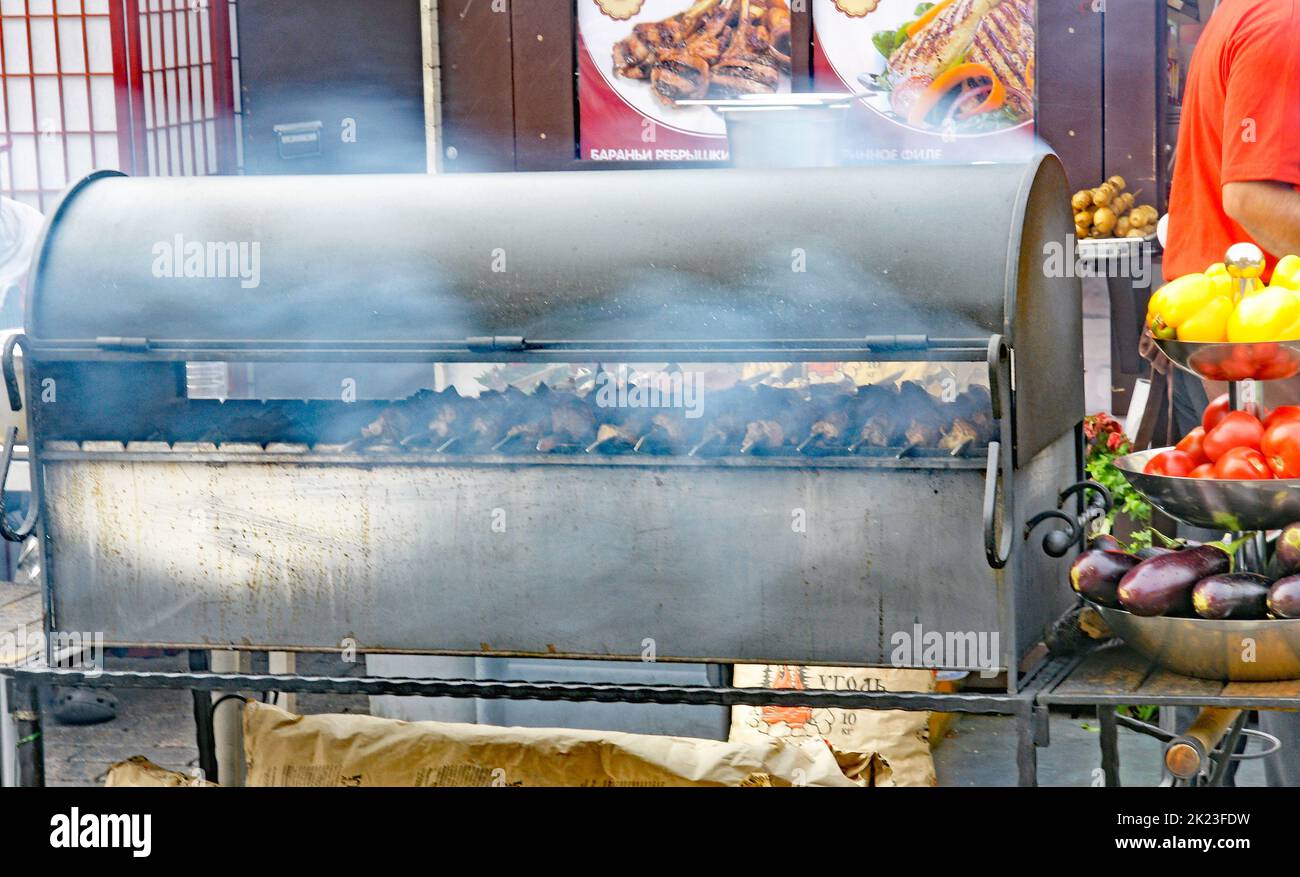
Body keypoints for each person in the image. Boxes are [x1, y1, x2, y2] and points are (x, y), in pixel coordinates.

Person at [1161, 0, 1300, 787]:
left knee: (1241, 597)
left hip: (1245, 358)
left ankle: (1201, 802)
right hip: (1264, 361)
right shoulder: (1284, 20)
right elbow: (1252, 195)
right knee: (1279, 603)